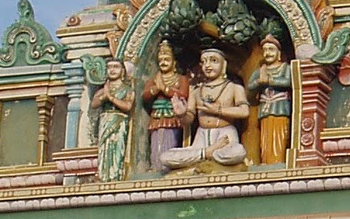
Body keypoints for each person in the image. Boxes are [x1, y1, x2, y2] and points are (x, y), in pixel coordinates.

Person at [158, 49, 248, 171]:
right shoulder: (196, 91)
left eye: (213, 61)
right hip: (201, 137)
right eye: (204, 62)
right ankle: (206, 153)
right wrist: (181, 114)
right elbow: (188, 119)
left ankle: (205, 155)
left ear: (224, 65)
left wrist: (218, 110)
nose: (208, 65)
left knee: (238, 152)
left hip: (225, 135)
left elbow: (244, 111)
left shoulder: (234, 88)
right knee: (165, 157)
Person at [142, 39, 191, 170]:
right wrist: (156, 89)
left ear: (174, 63)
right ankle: (156, 167)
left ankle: (167, 168)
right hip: (157, 116)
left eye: (167, 59)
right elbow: (145, 95)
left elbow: (183, 95)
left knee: (171, 142)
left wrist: (165, 89)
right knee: (156, 144)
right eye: (161, 60)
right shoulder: (154, 79)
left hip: (173, 116)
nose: (163, 62)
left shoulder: (181, 79)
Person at [247, 34, 293, 167]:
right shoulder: (261, 70)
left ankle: (278, 160)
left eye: (271, 50)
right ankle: (266, 162)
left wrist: (269, 81)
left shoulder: (285, 68)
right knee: (265, 138)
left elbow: (288, 81)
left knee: (279, 135)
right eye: (265, 50)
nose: (267, 53)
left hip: (280, 107)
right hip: (265, 108)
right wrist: (258, 82)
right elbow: (250, 86)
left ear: (279, 53)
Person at [91, 60, 135, 182]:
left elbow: (127, 106)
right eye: (109, 67)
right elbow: (94, 104)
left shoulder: (127, 90)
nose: (112, 70)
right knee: (105, 148)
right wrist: (104, 95)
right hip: (105, 121)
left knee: (117, 149)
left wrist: (110, 97)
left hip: (119, 122)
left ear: (122, 71)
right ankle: (104, 175)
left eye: (116, 67)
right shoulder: (103, 90)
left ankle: (115, 175)